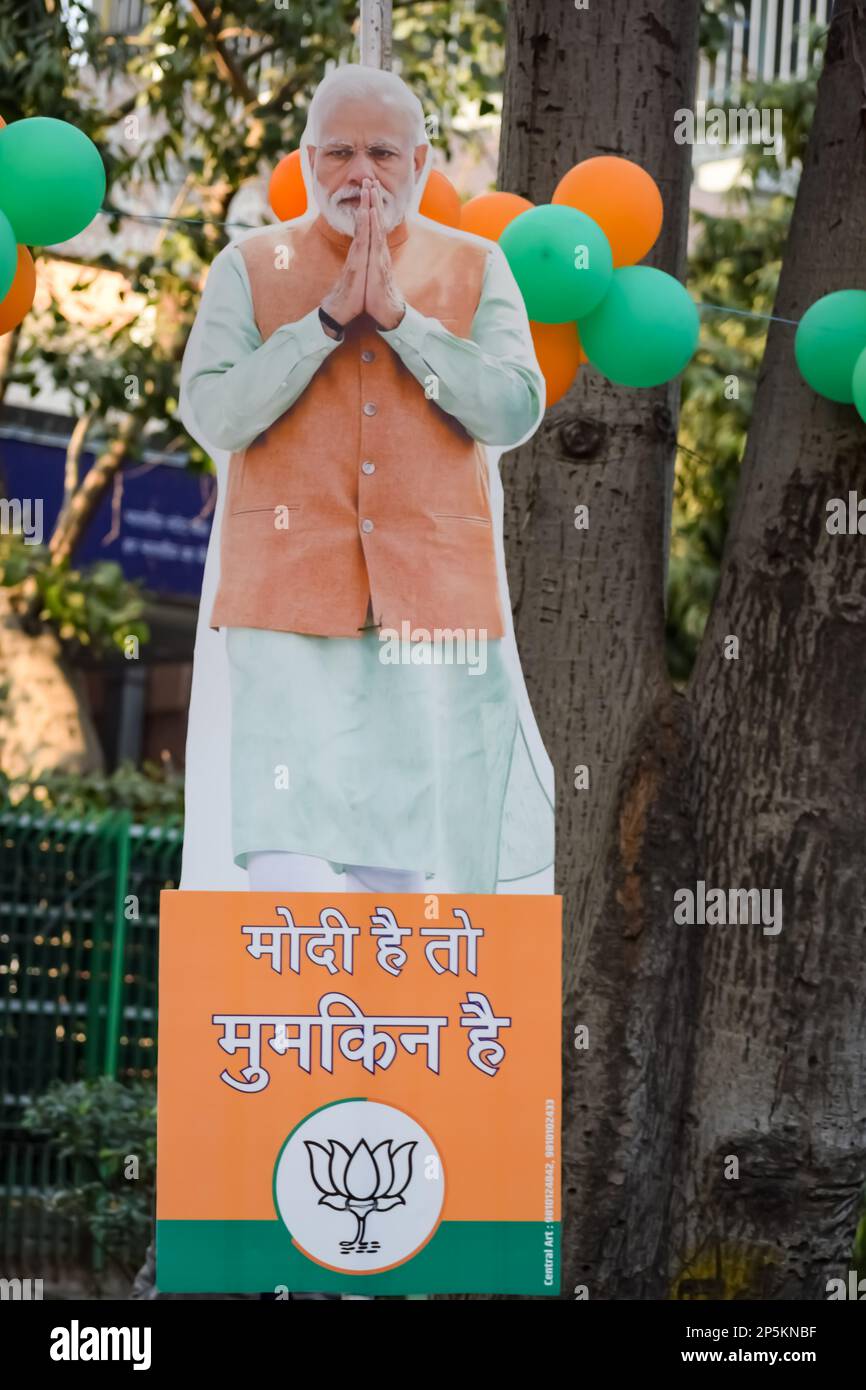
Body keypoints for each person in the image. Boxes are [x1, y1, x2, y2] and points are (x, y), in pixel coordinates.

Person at [178, 63, 554, 902]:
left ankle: (391, 1028)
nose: (360, 175)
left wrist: (402, 323)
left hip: (433, 603)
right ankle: (287, 1020)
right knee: (285, 839)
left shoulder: (476, 266)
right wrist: (319, 325)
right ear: (310, 161)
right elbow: (213, 411)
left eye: (381, 153)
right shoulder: (249, 265)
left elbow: (515, 406)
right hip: (283, 594)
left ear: (421, 163)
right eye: (339, 152)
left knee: (408, 851)